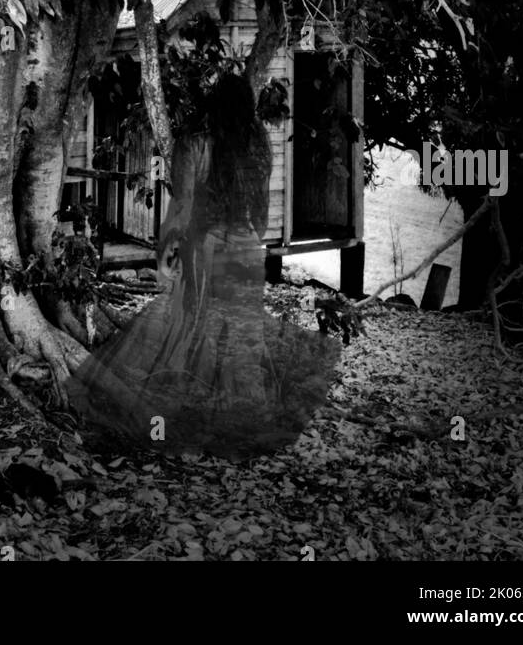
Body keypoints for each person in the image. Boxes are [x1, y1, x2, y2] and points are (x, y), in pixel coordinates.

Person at [66, 71, 340, 457]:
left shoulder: (195, 144)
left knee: (197, 325)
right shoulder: (257, 143)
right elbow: (260, 209)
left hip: (208, 247)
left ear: (214, 104)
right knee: (240, 331)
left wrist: (166, 252)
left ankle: (183, 418)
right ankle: (238, 417)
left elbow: (181, 208)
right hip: (246, 247)